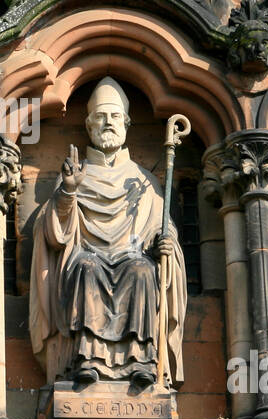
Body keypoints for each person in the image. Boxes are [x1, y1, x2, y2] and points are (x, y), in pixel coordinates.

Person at [29, 77, 185, 389]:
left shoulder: (144, 183)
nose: (108, 123)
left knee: (142, 271)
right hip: (87, 261)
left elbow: (161, 232)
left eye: (114, 117)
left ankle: (140, 359)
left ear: (126, 124)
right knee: (87, 268)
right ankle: (88, 358)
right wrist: (68, 193)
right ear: (88, 125)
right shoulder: (75, 175)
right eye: (100, 117)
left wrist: (164, 245)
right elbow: (54, 233)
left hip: (132, 259)